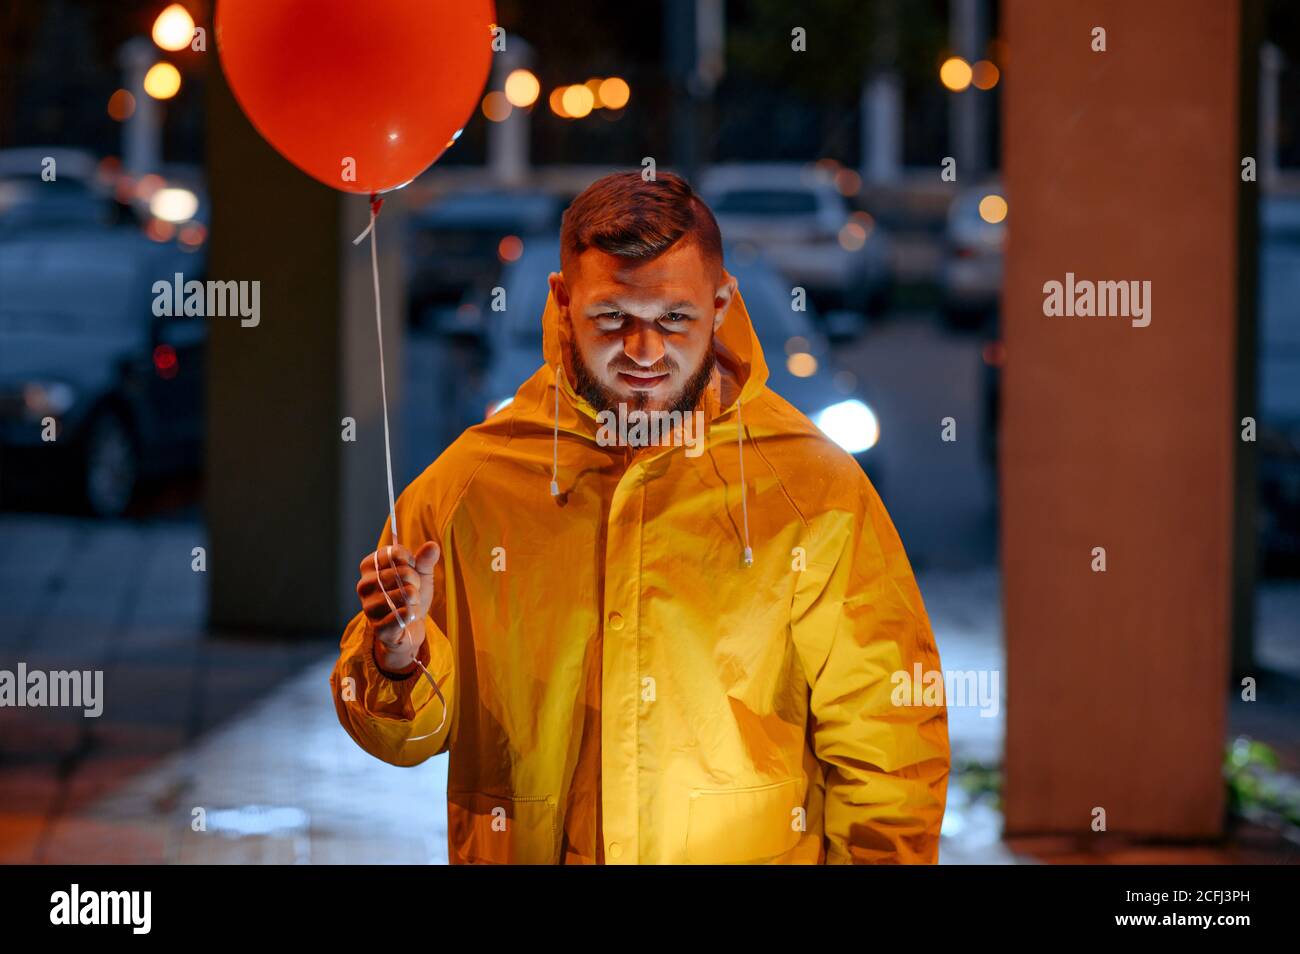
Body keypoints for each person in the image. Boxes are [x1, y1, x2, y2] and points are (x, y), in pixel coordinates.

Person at [330, 170, 950, 864]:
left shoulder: (813, 488)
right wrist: (397, 658)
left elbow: (891, 746)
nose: (645, 352)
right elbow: (397, 741)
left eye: (674, 319)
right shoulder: (472, 486)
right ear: (564, 303)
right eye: (612, 318)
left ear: (720, 305)